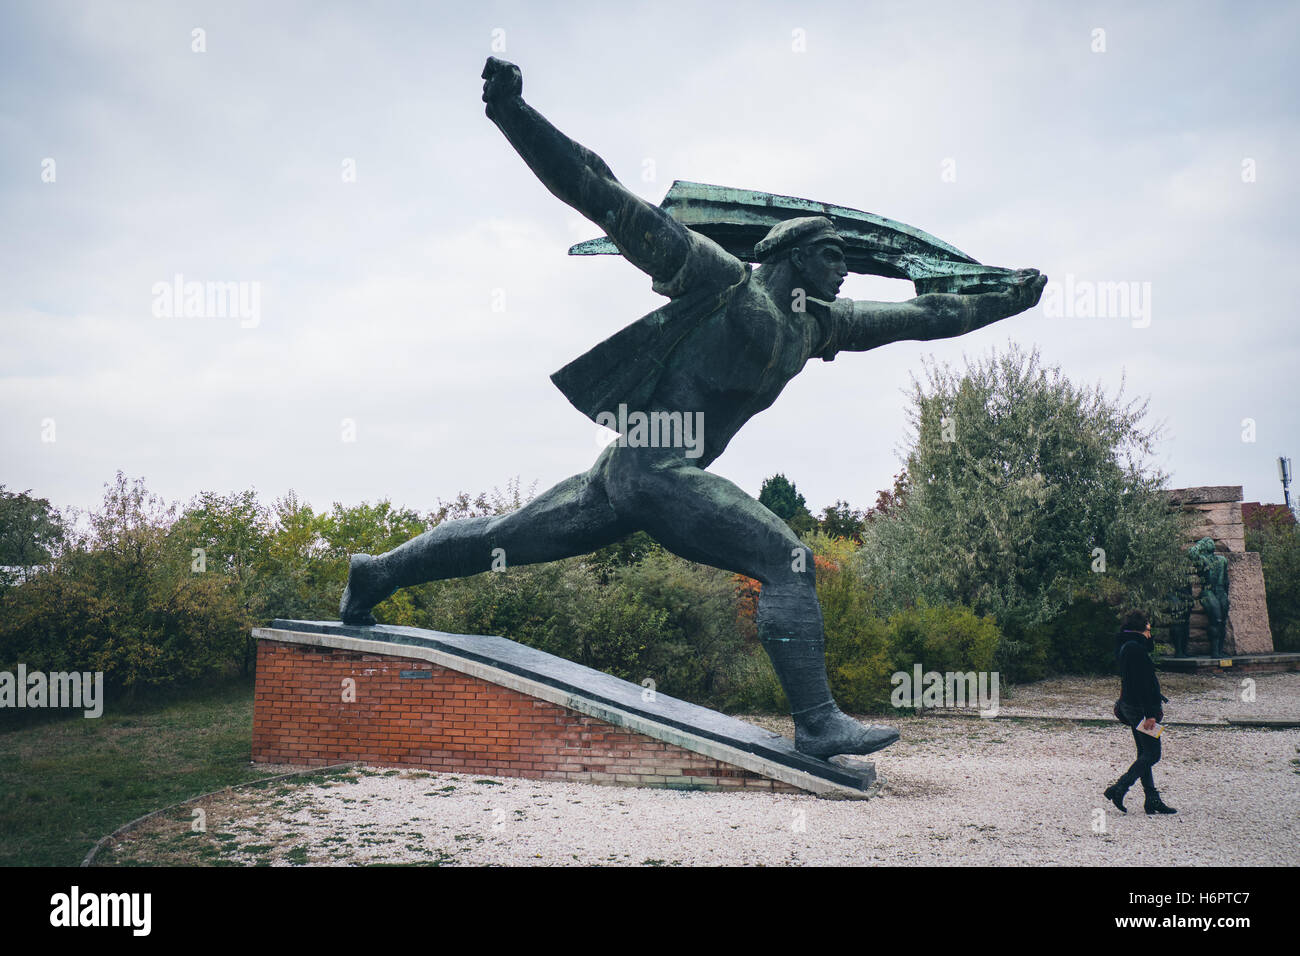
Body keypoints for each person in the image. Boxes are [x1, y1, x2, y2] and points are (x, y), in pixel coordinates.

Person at [338, 57, 1047, 759]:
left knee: (503, 538)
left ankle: (375, 573)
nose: (846, 270)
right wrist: (514, 114)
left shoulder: (815, 326)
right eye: (834, 256)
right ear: (794, 256)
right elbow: (601, 192)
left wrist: (1005, 299)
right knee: (789, 561)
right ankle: (819, 722)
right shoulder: (719, 277)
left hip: (626, 477)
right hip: (652, 470)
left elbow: (925, 314)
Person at [1104, 610, 1177, 814]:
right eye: (1148, 627)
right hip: (1140, 708)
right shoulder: (1135, 649)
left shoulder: (1128, 646)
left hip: (1131, 705)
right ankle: (1119, 788)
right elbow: (1143, 684)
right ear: (1142, 627)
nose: (1150, 631)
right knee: (1153, 753)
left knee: (1144, 752)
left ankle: (1151, 798)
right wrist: (1150, 714)